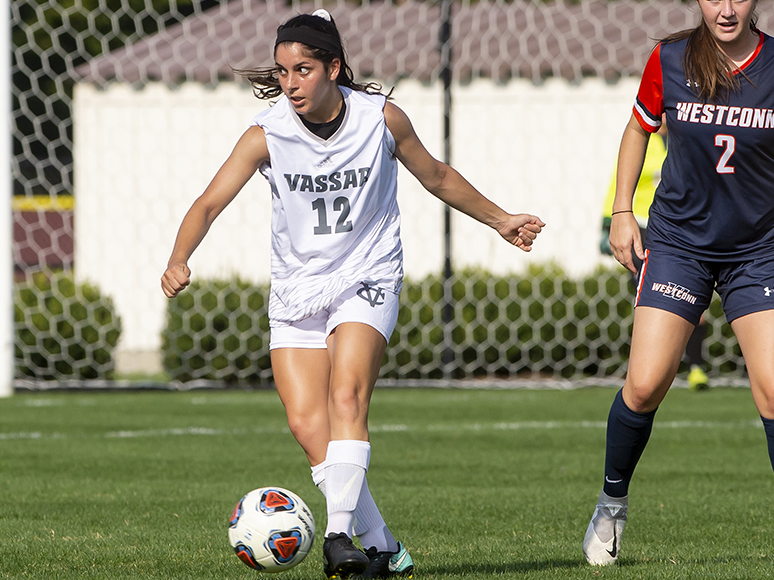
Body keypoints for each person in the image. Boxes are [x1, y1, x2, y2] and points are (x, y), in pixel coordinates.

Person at [160, 10, 545, 578]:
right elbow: (209, 202)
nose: (290, 83)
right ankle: (384, 547)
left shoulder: (380, 119)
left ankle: (338, 535)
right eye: (284, 71)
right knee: (307, 424)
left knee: (347, 397)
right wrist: (178, 256)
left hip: (368, 275)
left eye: (304, 69)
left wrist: (500, 220)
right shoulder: (266, 134)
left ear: (334, 68)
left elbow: (436, 176)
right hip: (297, 288)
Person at [583, 0, 774, 566]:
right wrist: (623, 211)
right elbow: (637, 128)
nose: (726, 8)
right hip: (680, 247)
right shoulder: (669, 58)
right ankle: (611, 504)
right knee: (646, 385)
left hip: (759, 252)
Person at [599, 121, 710, 391]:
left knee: (696, 306)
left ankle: (696, 367)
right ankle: (644, 373)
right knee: (652, 300)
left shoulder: (688, 138)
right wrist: (608, 224)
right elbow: (618, 185)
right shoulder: (639, 141)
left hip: (680, 230)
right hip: (643, 230)